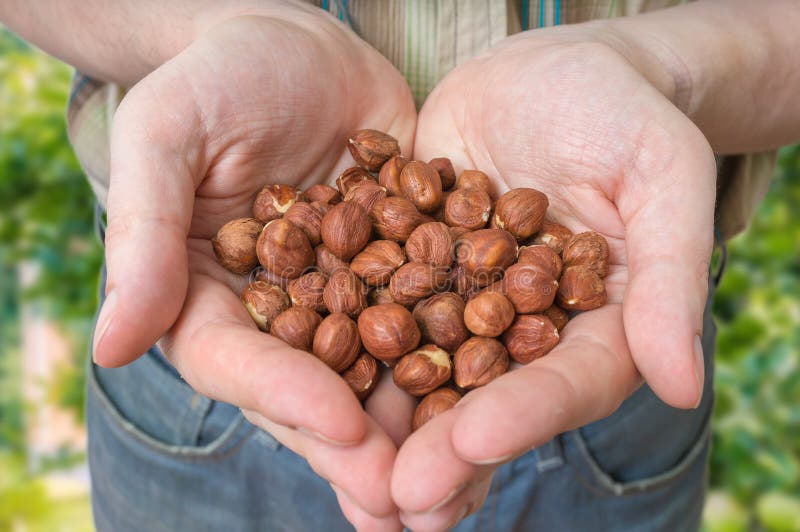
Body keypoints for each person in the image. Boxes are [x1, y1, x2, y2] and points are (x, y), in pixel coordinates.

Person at [2, 1, 798, 530]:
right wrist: (218, 25)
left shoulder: (515, 276)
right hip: (197, 304)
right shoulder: (319, 257)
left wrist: (659, 62)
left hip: (613, 349)